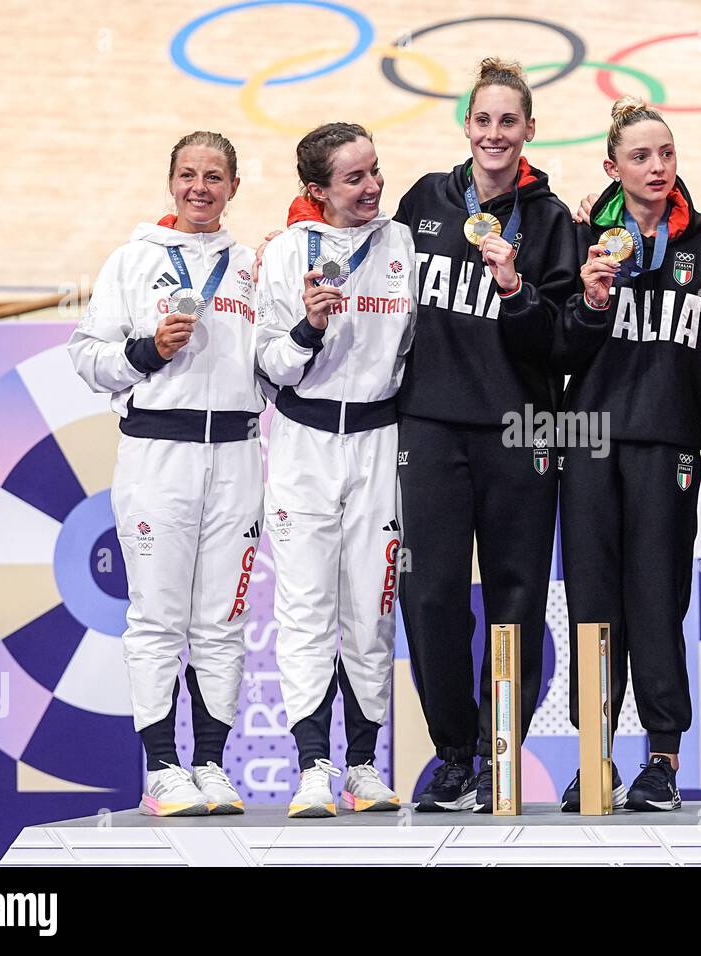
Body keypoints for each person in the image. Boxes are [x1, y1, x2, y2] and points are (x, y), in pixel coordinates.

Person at [394, 58, 581, 812]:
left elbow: (564, 345)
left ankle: (499, 751)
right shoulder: (426, 201)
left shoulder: (553, 220)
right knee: (431, 595)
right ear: (466, 127)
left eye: (510, 121)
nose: (495, 133)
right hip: (431, 426)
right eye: (484, 120)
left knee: (516, 598)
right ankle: (453, 752)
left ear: (529, 130)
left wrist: (515, 287)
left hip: (520, 429)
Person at [69, 131, 263, 816]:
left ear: (234, 186)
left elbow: (272, 365)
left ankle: (209, 764)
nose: (200, 188)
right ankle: (160, 768)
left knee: (223, 619)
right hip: (158, 454)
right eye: (188, 175)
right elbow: (87, 356)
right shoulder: (133, 261)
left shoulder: (253, 266)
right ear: (171, 181)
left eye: (214, 176)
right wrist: (145, 350)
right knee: (157, 617)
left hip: (239, 454)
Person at [556, 97, 701, 812]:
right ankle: (594, 758)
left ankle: (662, 759)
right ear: (612, 167)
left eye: (666, 154)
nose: (657, 167)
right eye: (640, 156)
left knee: (659, 599)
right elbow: (559, 348)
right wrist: (591, 299)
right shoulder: (579, 240)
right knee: (592, 604)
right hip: (589, 438)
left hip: (666, 442)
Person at [255, 123, 416, 816]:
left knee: (371, 609)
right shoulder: (287, 255)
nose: (374, 186)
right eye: (355, 179)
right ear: (316, 191)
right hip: (304, 445)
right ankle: (314, 765)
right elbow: (269, 363)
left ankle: (363, 767)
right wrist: (307, 330)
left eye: (375, 170)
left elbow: (413, 346)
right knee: (305, 609)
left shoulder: (402, 243)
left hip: (379, 442)